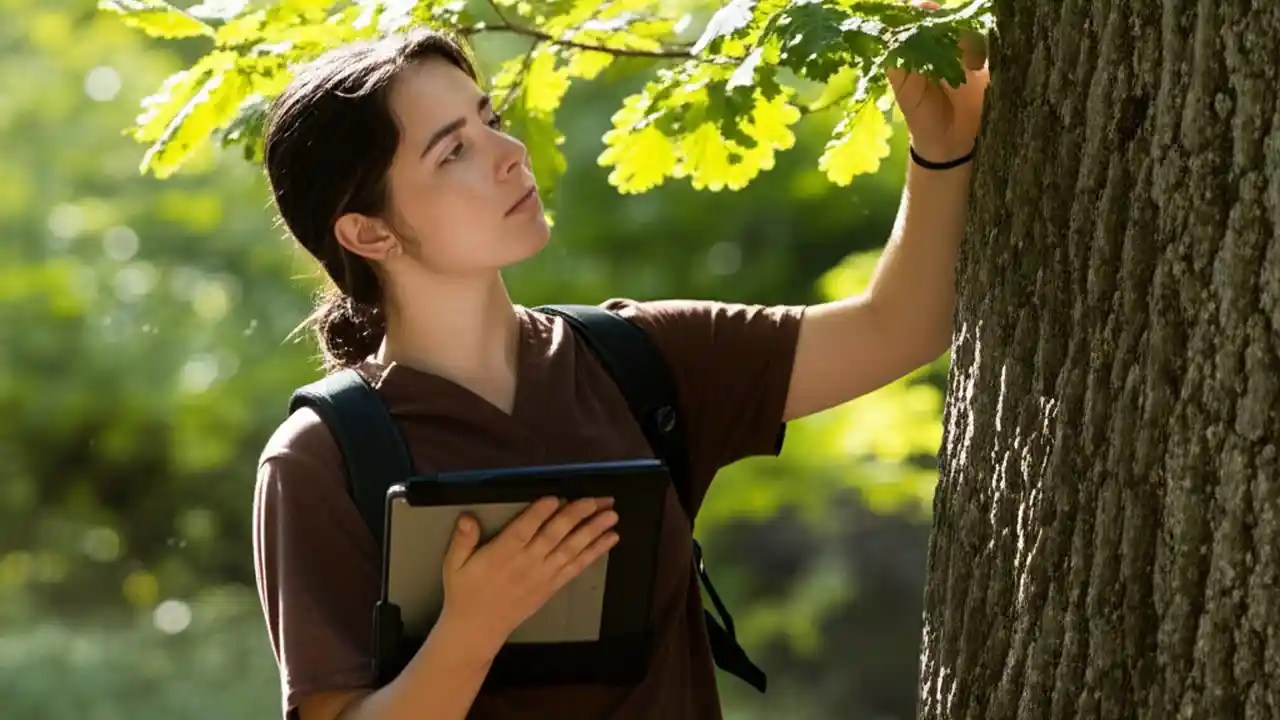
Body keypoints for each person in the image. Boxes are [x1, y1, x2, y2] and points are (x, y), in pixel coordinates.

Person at [252, 19, 988, 720]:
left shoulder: (638, 361)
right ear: (368, 231)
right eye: (453, 151)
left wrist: (944, 147)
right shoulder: (320, 461)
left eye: (491, 118)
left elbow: (897, 328)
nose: (509, 152)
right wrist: (471, 629)